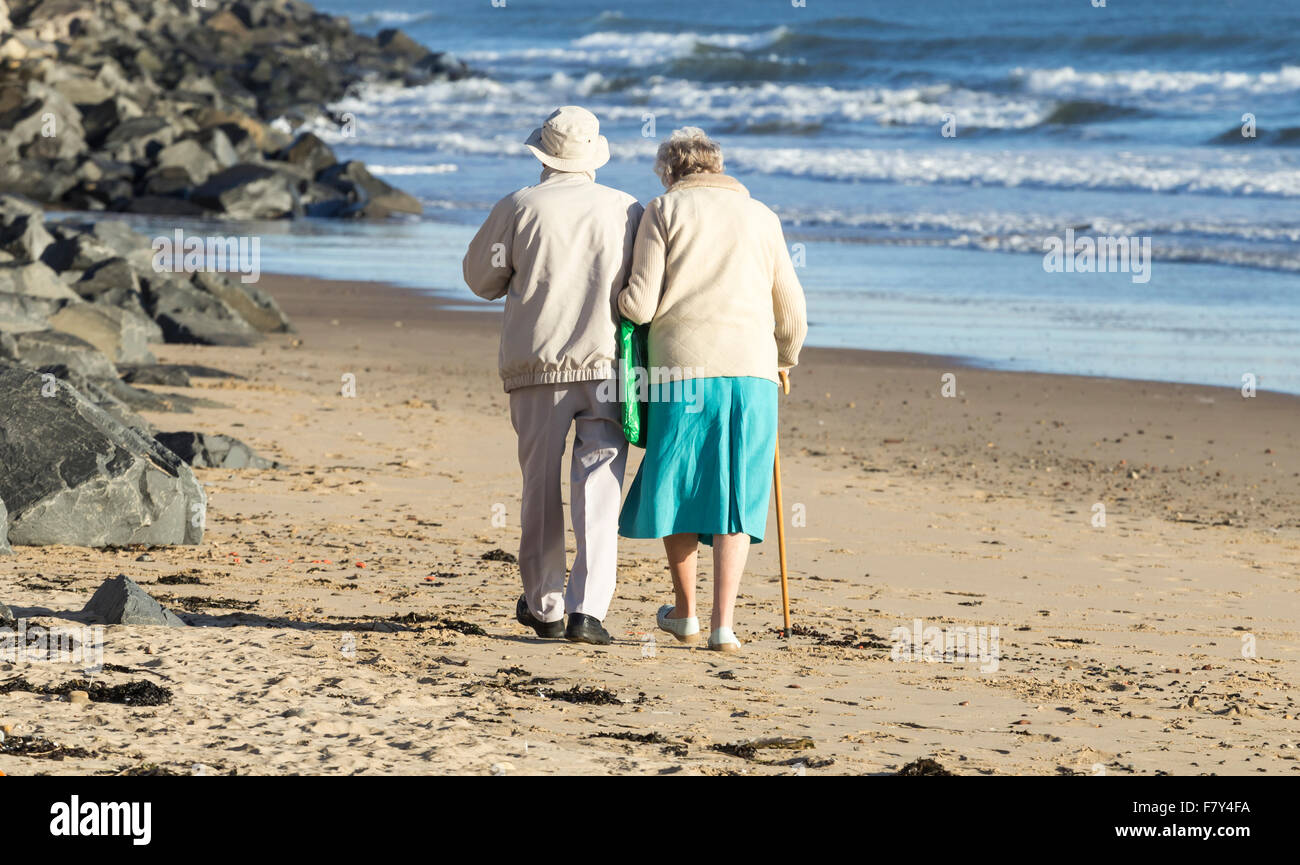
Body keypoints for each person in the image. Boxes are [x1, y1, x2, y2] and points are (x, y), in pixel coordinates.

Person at [617, 127, 807, 653]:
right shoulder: (763, 217)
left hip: (680, 370)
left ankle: (686, 613)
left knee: (677, 486)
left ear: (669, 172)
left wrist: (614, 299)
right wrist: (784, 357)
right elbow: (791, 307)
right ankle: (725, 624)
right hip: (752, 371)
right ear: (718, 168)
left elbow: (640, 305)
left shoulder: (663, 211)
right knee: (737, 494)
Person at [463, 106, 644, 645]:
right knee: (600, 482)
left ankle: (544, 603)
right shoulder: (626, 209)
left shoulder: (519, 205)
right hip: (607, 362)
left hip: (537, 364)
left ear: (542, 153)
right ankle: (588, 609)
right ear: (593, 156)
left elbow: (480, 279)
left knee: (539, 485)